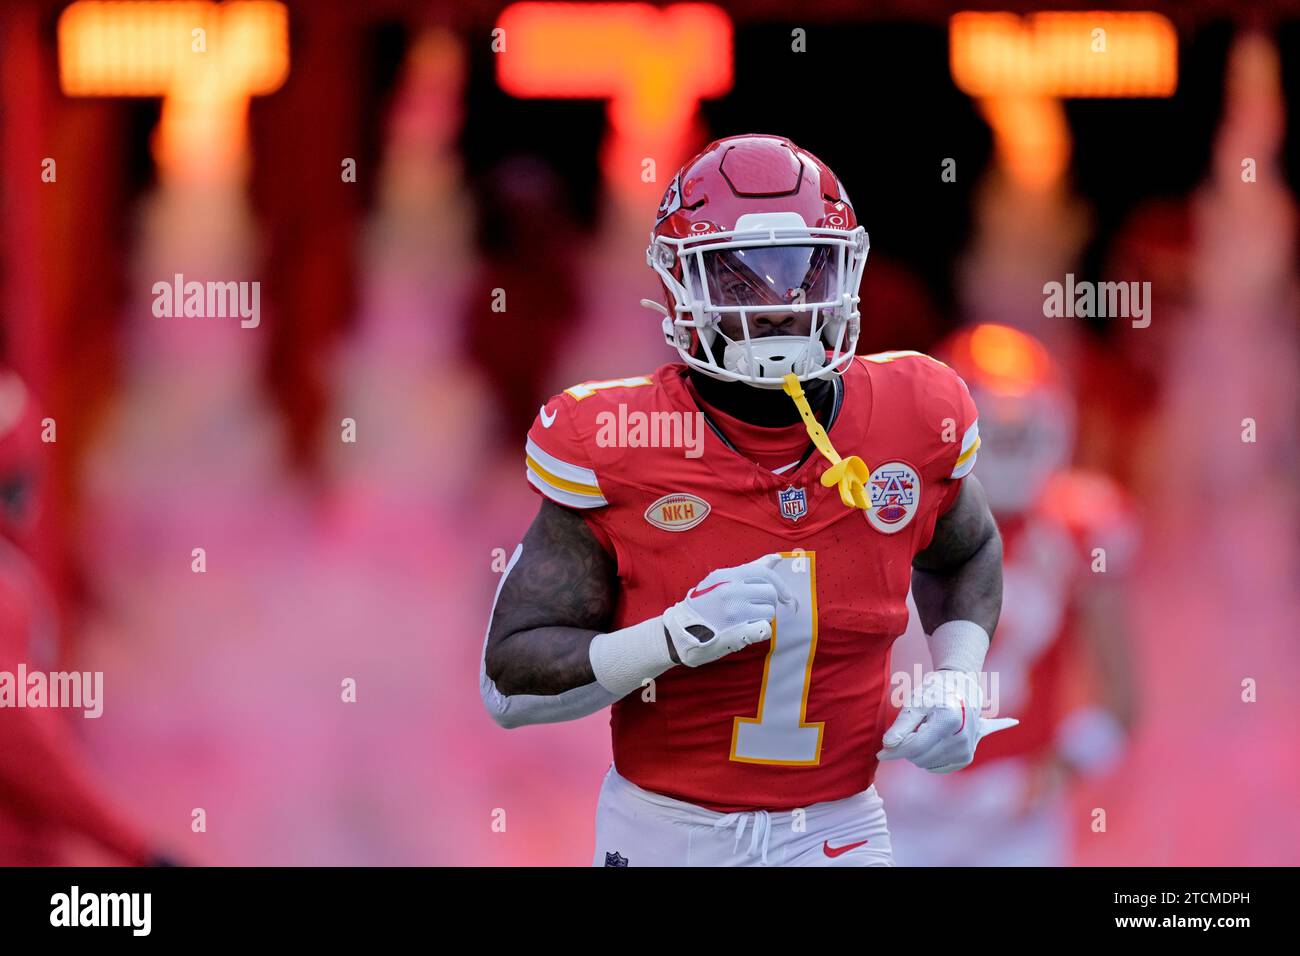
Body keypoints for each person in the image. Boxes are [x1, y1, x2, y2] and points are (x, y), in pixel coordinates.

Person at [481, 135, 1011, 866]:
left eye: (805, 268)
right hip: (668, 831)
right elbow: (509, 674)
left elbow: (969, 549)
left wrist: (955, 674)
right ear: (682, 286)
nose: (781, 302)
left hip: (838, 826)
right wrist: (670, 638)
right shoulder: (620, 436)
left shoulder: (913, 413)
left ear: (846, 267)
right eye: (740, 278)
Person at [880, 324, 1137, 866]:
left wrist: (1059, 770)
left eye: (1023, 433)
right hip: (899, 803)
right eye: (995, 432)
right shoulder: (892, 515)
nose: (1010, 451)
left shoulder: (1077, 528)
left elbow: (1122, 700)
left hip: (1014, 816)